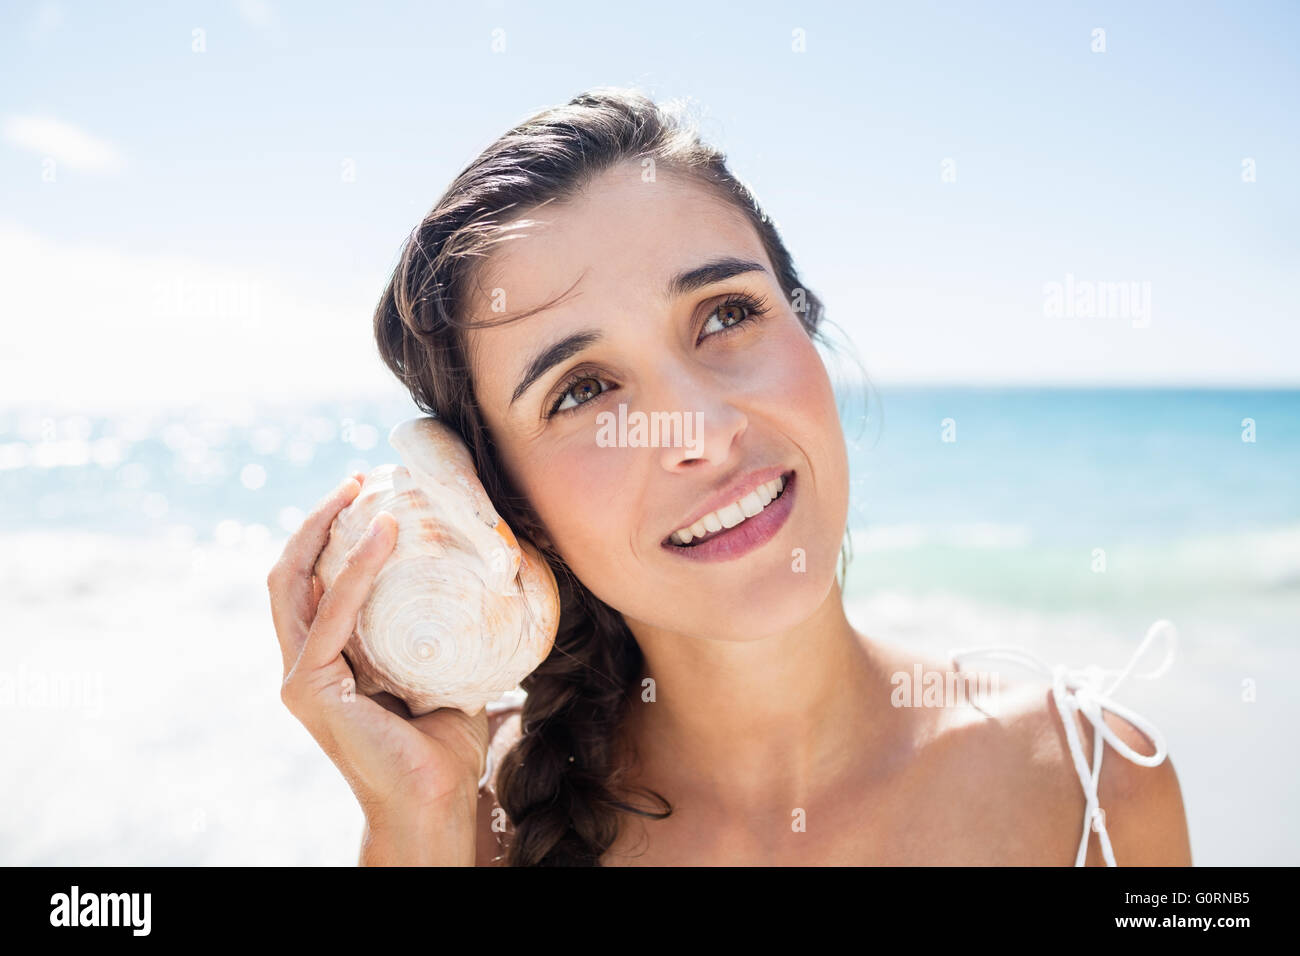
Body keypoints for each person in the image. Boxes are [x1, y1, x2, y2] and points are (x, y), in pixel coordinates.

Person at [267, 87, 1192, 866]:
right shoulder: (469, 834)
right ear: (509, 507)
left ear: (806, 327)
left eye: (724, 316)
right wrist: (417, 823)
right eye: (584, 389)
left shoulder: (1094, 784)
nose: (702, 431)